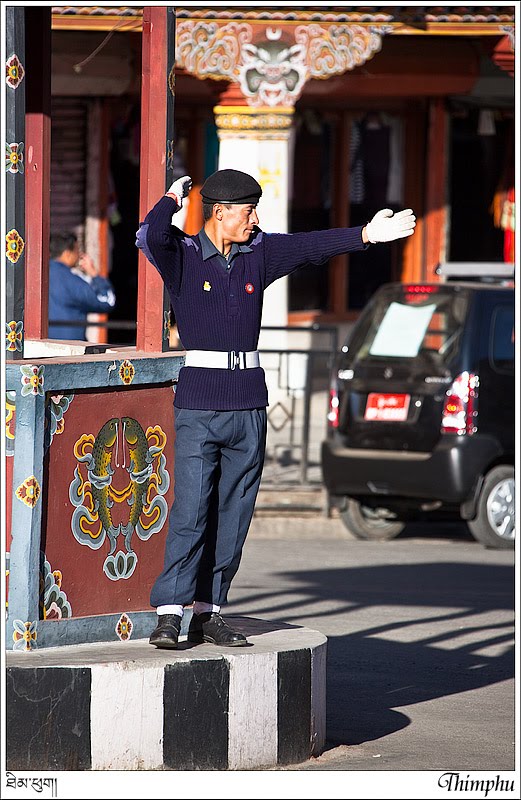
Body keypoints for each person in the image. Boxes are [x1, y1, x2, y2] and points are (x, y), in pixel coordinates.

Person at [136, 169, 415, 649]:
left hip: (248, 403)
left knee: (235, 510)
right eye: (247, 211)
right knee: (192, 509)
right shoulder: (180, 257)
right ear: (218, 213)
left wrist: (366, 234)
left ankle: (209, 610)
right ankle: (169, 611)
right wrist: (170, 199)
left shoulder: (258, 254)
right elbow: (148, 235)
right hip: (201, 403)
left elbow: (310, 247)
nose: (255, 220)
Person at [48, 231, 116, 340]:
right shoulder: (71, 281)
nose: (79, 255)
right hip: (68, 349)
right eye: (77, 251)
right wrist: (93, 273)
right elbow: (106, 302)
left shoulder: (38, 275)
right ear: (67, 253)